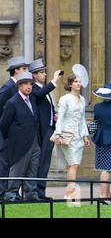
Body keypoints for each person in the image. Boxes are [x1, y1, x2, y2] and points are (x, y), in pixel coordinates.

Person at [0, 72, 41, 201]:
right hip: (19, 141)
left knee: (32, 169)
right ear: (19, 86)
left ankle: (31, 194)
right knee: (17, 168)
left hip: (34, 140)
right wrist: (12, 137)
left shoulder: (32, 99)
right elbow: (4, 123)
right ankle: (11, 194)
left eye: (30, 84)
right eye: (25, 84)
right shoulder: (12, 102)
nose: (29, 87)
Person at [29, 59, 62, 200]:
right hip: (40, 132)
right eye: (41, 72)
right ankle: (35, 192)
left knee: (45, 162)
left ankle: (41, 192)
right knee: (39, 162)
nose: (44, 75)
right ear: (34, 75)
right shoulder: (34, 89)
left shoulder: (42, 90)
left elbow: (44, 107)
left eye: (44, 72)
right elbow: (38, 96)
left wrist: (52, 117)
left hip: (49, 129)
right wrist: (54, 81)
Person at [54, 73, 90, 200]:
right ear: (70, 84)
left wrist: (85, 135)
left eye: (79, 81)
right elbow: (61, 117)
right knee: (73, 163)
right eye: (75, 81)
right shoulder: (65, 99)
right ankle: (71, 192)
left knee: (74, 164)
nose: (78, 84)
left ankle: (69, 192)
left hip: (79, 135)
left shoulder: (82, 99)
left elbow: (82, 119)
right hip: (67, 134)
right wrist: (58, 134)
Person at [0, 56, 29, 199]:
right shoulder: (8, 87)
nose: (26, 71)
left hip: (14, 135)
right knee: (4, 165)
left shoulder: (19, 87)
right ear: (16, 71)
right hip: (5, 135)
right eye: (24, 69)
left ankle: (10, 192)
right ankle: (3, 193)